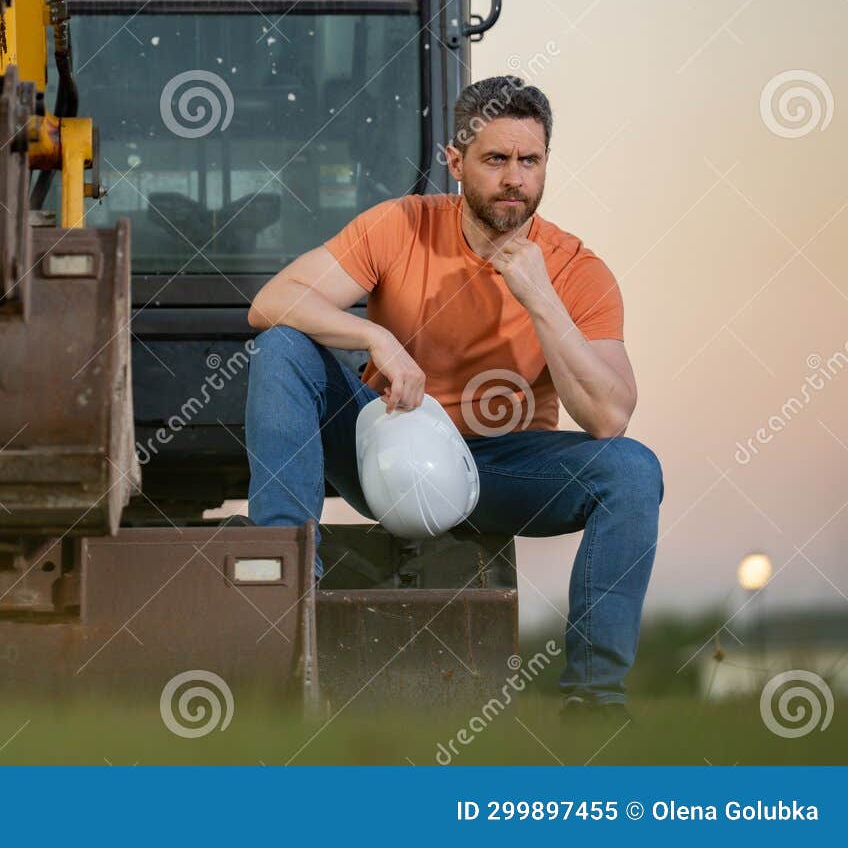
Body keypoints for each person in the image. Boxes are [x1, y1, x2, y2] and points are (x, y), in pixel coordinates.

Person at [245, 76, 660, 718]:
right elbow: (272, 302)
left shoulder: (577, 270)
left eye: (530, 160)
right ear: (455, 161)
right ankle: (284, 601)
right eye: (495, 160)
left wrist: (541, 299)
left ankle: (594, 701)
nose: (514, 179)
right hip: (385, 448)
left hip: (502, 471)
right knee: (282, 347)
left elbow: (609, 416)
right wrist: (374, 337)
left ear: (547, 162)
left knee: (634, 472)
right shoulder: (400, 226)